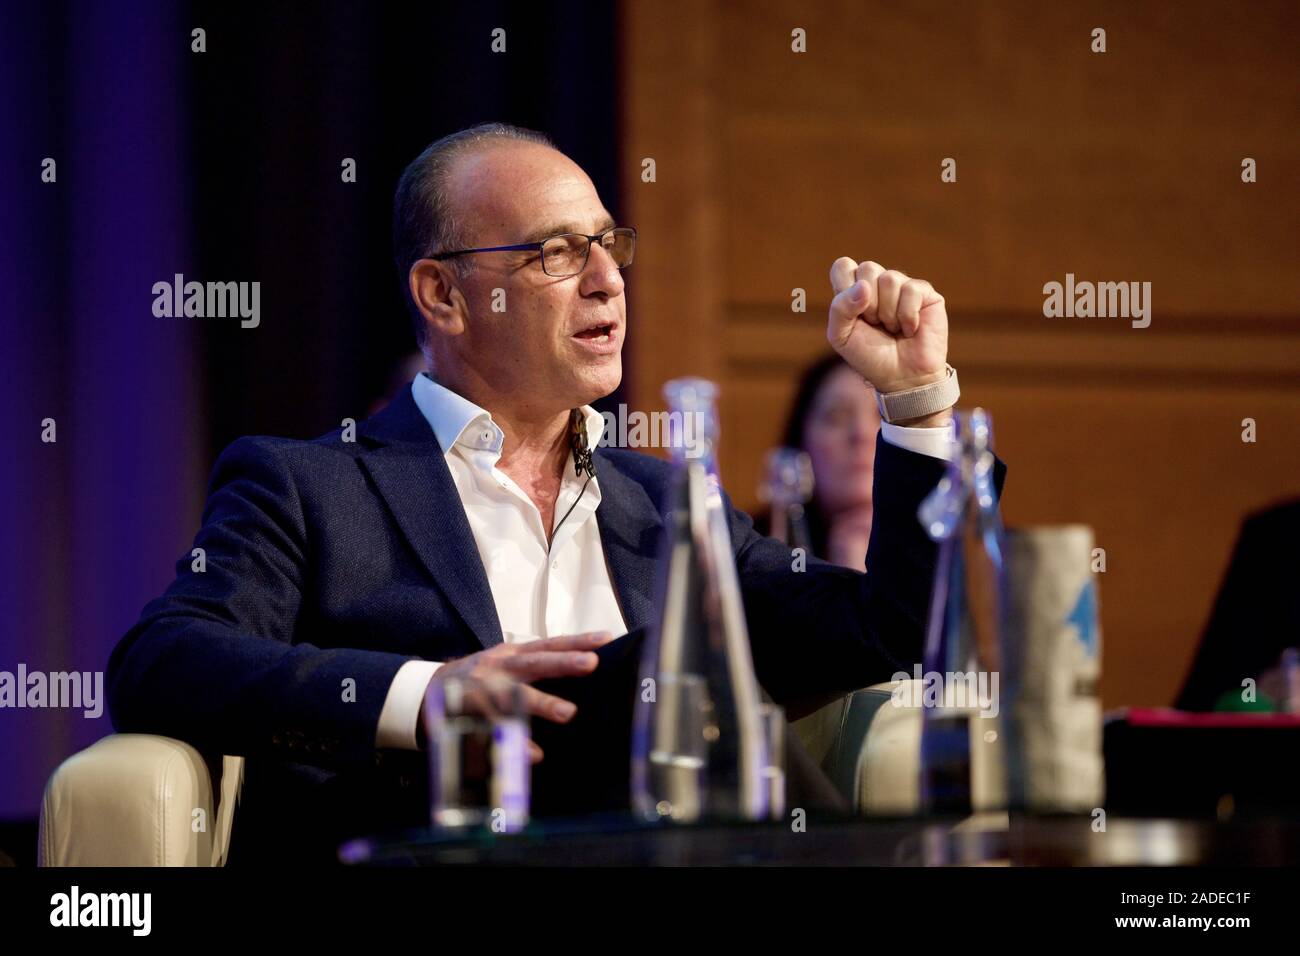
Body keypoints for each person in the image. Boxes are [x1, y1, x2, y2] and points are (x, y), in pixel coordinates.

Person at [106, 122, 997, 863]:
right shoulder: (307, 485)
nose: (607, 278)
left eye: (609, 245)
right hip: (429, 850)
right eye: (557, 253)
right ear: (443, 294)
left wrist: (916, 399)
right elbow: (160, 661)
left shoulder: (667, 503)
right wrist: (429, 696)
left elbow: (892, 629)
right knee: (667, 666)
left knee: (698, 655)